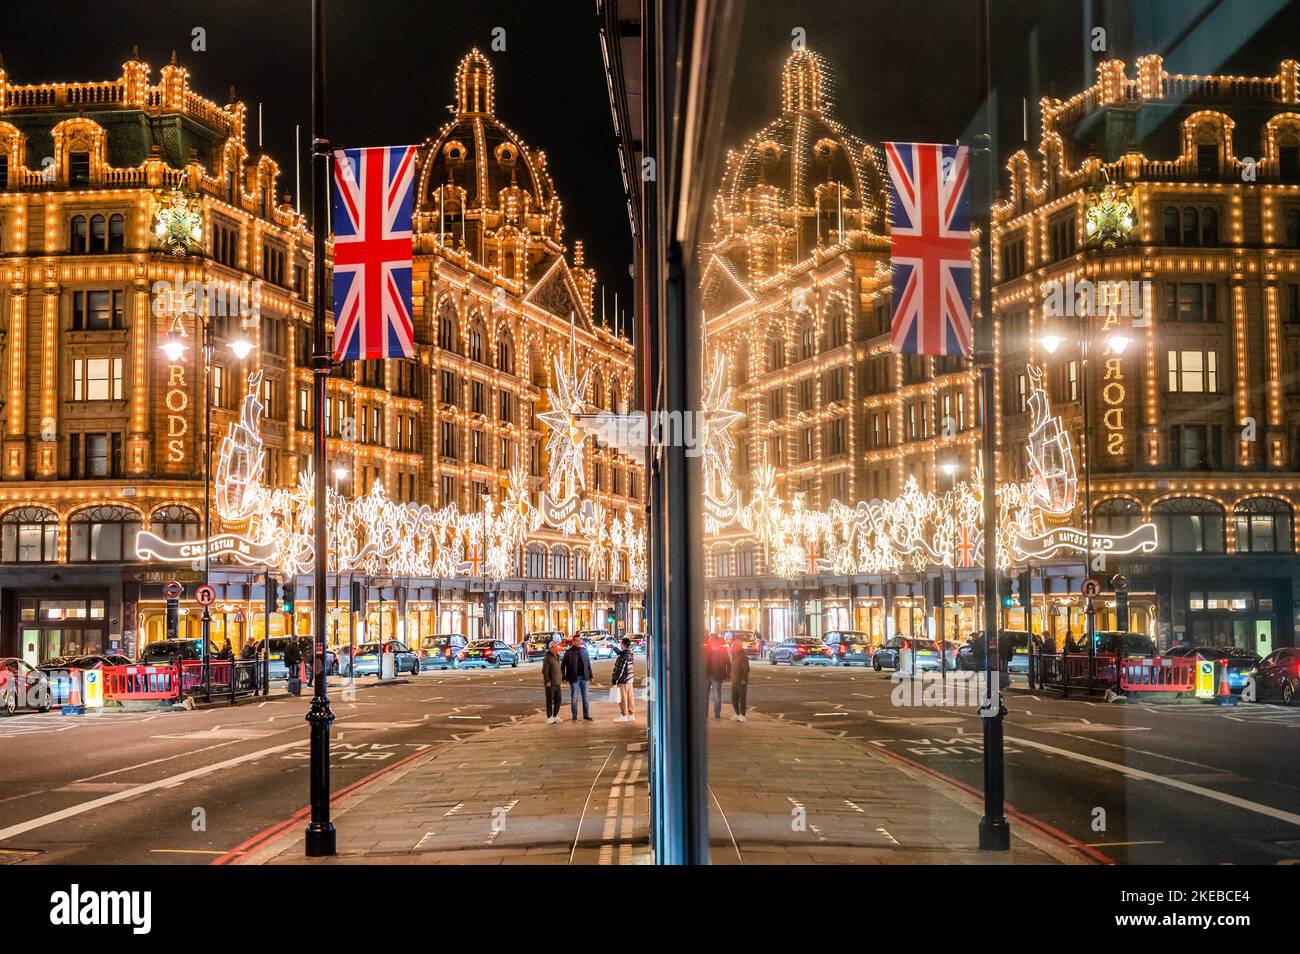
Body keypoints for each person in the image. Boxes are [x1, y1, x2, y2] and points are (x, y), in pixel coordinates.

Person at [562, 635, 594, 721]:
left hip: (584, 677)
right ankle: (574, 716)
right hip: (574, 677)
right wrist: (564, 676)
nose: (578, 642)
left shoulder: (584, 650)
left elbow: (588, 664)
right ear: (573, 641)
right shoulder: (569, 652)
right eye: (576, 640)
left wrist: (591, 675)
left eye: (579, 640)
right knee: (574, 697)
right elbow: (563, 665)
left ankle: (586, 715)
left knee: (585, 697)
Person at [611, 637, 635, 722]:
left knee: (623, 698)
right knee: (630, 697)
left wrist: (615, 680)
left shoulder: (623, 656)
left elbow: (620, 669)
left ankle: (624, 715)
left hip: (623, 680)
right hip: (629, 679)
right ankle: (631, 714)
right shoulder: (629, 653)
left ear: (622, 644)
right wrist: (614, 648)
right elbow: (621, 653)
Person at [706, 635, 729, 719]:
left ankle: (717, 714)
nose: (710, 641)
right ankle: (705, 714)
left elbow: (728, 662)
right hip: (707, 675)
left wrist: (727, 674)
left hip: (717, 675)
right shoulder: (706, 650)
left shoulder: (722, 650)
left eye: (711, 639)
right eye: (709, 639)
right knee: (705, 695)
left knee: (717, 695)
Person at [542, 640, 564, 724]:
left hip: (557, 682)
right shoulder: (547, 657)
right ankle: (549, 717)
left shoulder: (556, 656)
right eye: (556, 647)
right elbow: (545, 670)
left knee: (558, 700)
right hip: (550, 683)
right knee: (549, 700)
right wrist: (547, 680)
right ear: (551, 648)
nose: (558, 648)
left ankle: (555, 715)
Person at [729, 641, 750, 722]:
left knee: (742, 698)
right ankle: (737, 713)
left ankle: (743, 715)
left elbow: (746, 669)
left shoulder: (743, 656)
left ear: (739, 647)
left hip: (740, 681)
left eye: (734, 646)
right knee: (734, 698)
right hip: (734, 680)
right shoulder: (735, 655)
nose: (732, 647)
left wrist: (744, 679)